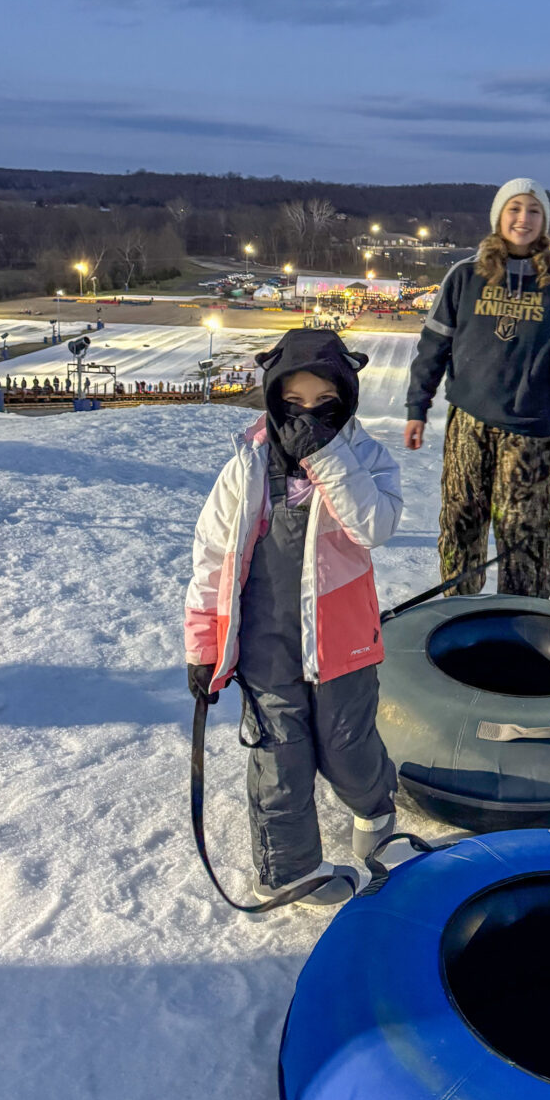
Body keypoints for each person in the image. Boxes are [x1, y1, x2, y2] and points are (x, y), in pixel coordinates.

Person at [184, 330, 402, 908]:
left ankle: (375, 809)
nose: (307, 417)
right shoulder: (248, 467)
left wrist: (327, 456)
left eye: (324, 404)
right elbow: (212, 556)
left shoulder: (366, 458)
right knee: (280, 754)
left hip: (342, 642)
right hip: (267, 643)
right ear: (274, 400)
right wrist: (203, 646)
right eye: (294, 403)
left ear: (346, 401)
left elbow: (373, 527)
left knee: (347, 745)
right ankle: (287, 869)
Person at [404, 177, 550, 598]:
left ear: (544, 222)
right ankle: (460, 613)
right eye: (514, 208)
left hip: (530, 434)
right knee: (461, 525)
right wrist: (417, 407)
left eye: (534, 210)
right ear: (498, 216)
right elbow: (434, 347)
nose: (523, 218)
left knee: (524, 537)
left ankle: (523, 619)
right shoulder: (465, 277)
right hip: (468, 424)